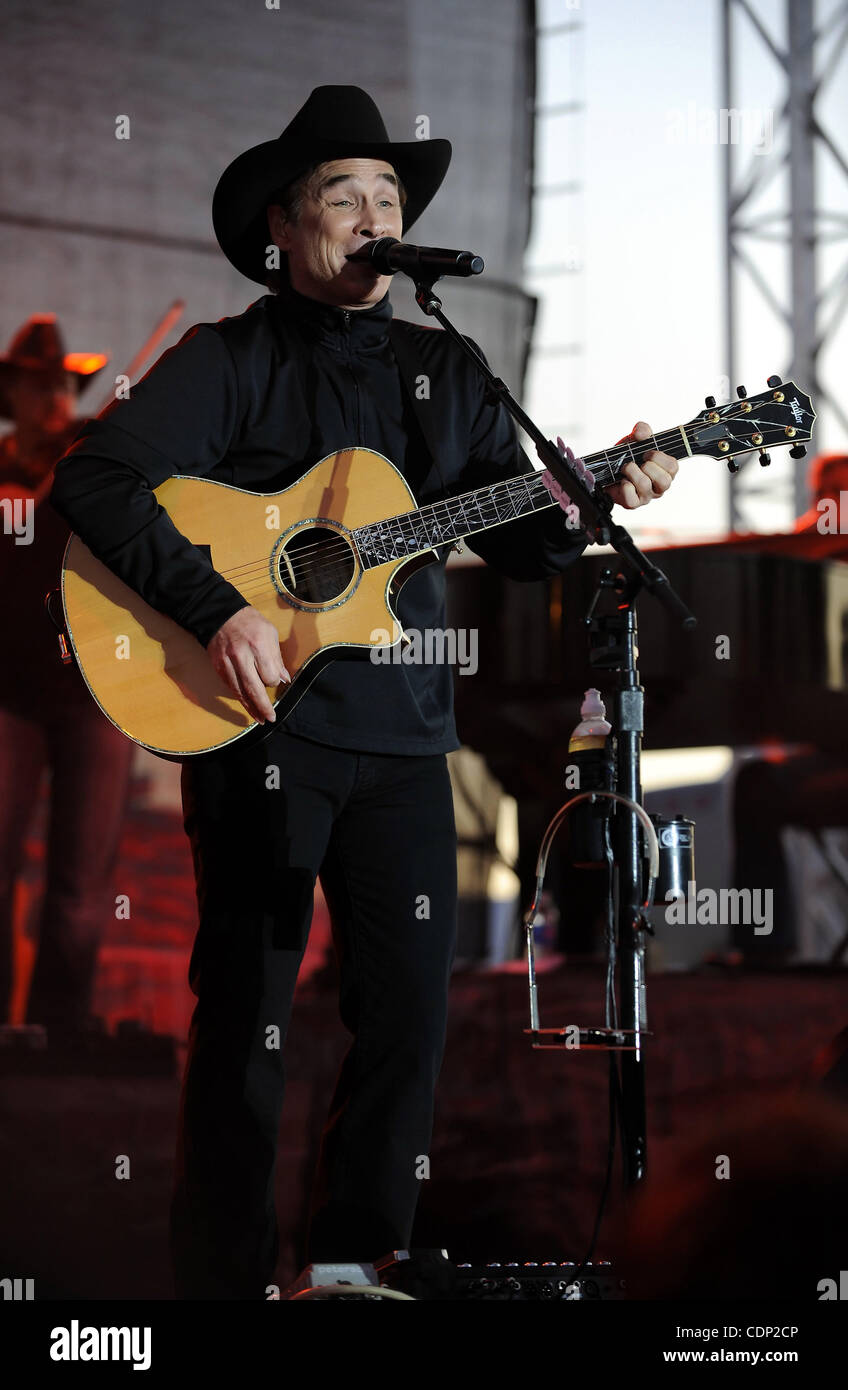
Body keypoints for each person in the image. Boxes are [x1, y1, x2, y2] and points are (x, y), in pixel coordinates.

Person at [49, 85, 679, 1299]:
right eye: (346, 195)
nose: (375, 214)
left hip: (401, 731)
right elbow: (97, 480)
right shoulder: (228, 360)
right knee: (246, 1018)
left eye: (390, 196)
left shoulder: (446, 367)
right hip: (258, 725)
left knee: (406, 1015)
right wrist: (219, 608)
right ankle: (222, 1280)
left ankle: (350, 1263)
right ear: (282, 228)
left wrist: (601, 493)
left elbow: (525, 540)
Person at [0, 315, 135, 1034]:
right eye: (39, 384)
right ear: (13, 393)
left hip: (96, 690)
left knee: (82, 886)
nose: (54, 396)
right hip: (6, 693)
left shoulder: (87, 460)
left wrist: (81, 466)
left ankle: (57, 1033)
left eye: (64, 384)